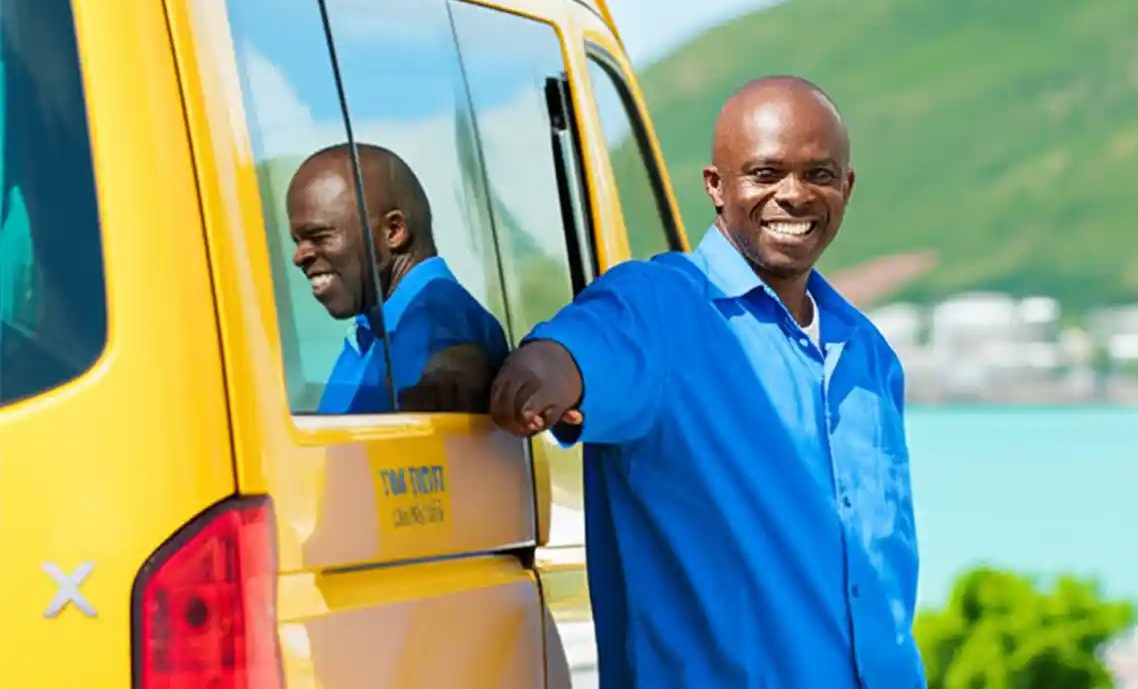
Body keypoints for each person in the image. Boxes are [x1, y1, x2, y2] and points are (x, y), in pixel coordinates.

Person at [489, 76, 924, 687]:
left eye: (819, 175)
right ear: (716, 186)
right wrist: (541, 375)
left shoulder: (868, 354)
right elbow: (577, 351)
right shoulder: (657, 308)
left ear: (846, 187)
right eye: (766, 173)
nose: (794, 195)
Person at [286, 142, 508, 414]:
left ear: (393, 231)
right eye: (298, 241)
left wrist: (453, 372)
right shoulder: (372, 328)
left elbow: (456, 366)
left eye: (319, 236)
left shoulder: (436, 317)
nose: (299, 256)